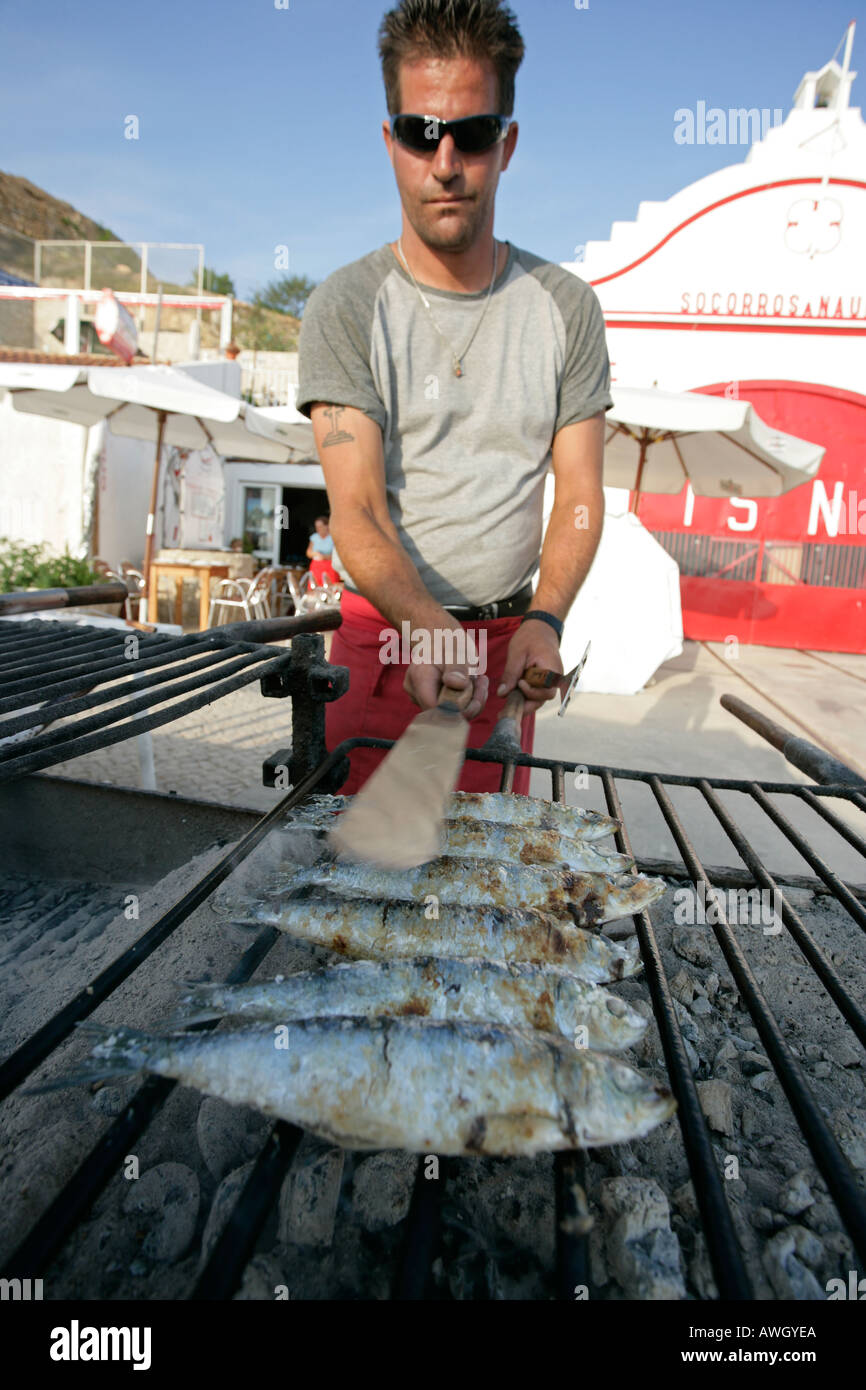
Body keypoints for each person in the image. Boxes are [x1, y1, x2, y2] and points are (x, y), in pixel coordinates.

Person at [296, 0, 612, 794]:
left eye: (470, 134)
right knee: (352, 892)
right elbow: (358, 513)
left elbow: (578, 493)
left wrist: (546, 619)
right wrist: (424, 626)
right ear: (390, 141)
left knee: (491, 891)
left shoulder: (566, 306)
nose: (445, 162)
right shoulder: (345, 304)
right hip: (386, 643)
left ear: (505, 145)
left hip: (508, 651)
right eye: (419, 132)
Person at [306, 515, 341, 586]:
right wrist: (315, 554)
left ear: (327, 526)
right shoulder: (314, 537)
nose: (318, 529)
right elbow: (308, 553)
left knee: (330, 587)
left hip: (330, 567)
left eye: (320, 526)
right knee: (315, 587)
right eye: (317, 527)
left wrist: (324, 556)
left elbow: (338, 556)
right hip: (316, 567)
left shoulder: (333, 537)